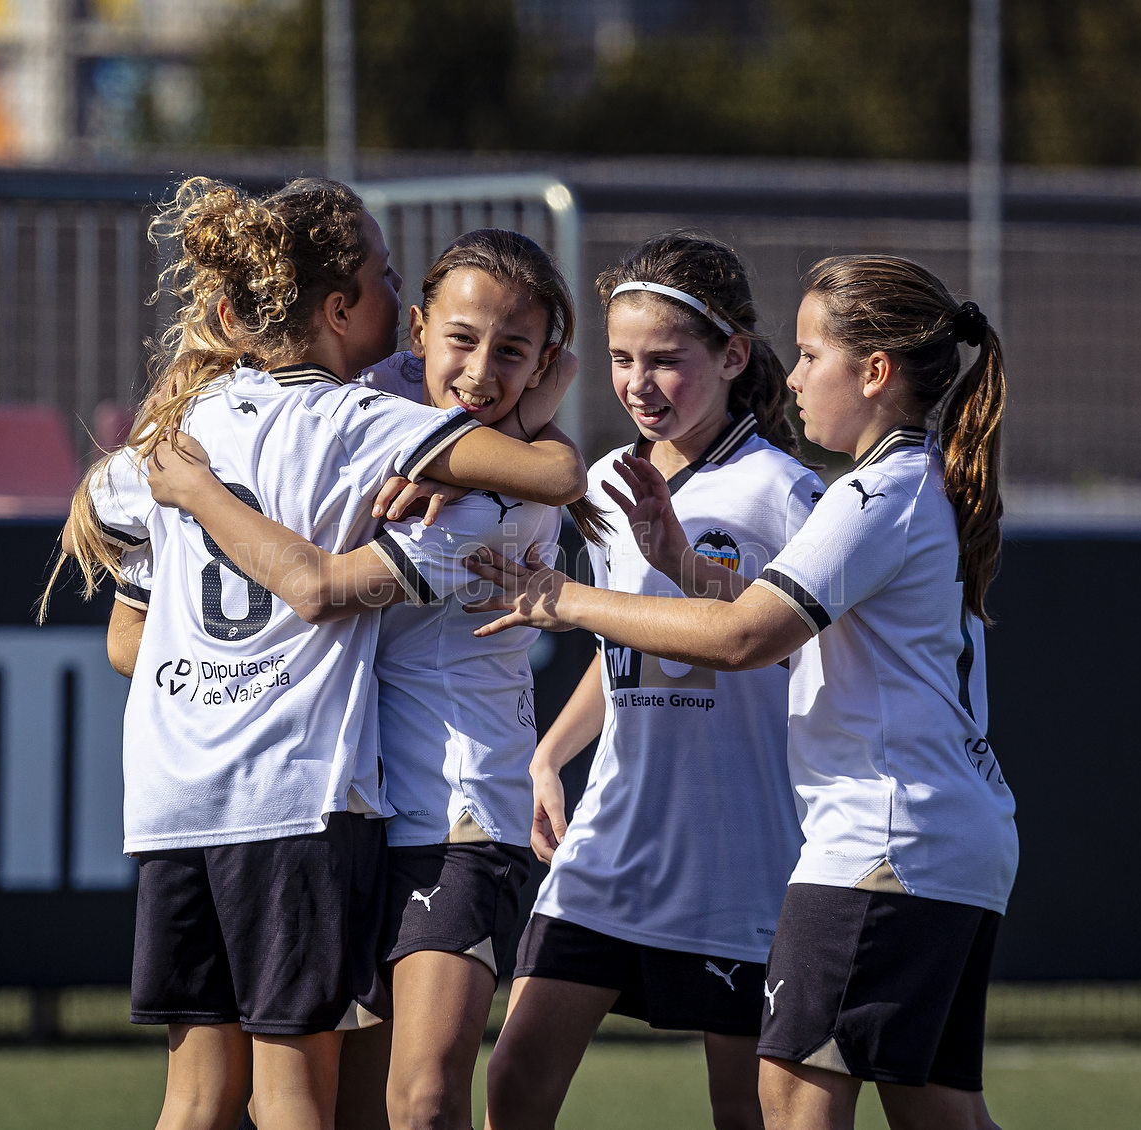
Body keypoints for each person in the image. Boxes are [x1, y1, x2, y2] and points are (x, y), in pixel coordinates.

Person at [52, 178, 587, 1130]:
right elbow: (540, 465)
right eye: (455, 336)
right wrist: (471, 432)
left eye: (513, 352)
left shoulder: (193, 428)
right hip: (306, 801)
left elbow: (119, 549)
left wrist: (188, 497)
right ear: (397, 323)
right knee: (311, 1103)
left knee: (336, 1102)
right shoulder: (367, 418)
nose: (478, 370)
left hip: (411, 805)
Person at [468, 254, 1016, 1130]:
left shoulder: (866, 491)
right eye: (621, 358)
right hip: (931, 834)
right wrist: (679, 565)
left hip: (871, 838)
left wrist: (560, 597)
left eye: (808, 355)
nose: (790, 377)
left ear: (874, 373)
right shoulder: (906, 482)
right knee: (937, 1112)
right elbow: (754, 624)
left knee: (789, 1103)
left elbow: (744, 639)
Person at [484, 231, 820, 1130]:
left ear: (734, 355)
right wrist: (550, 756)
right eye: (624, 359)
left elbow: (788, 642)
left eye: (667, 361)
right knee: (512, 1085)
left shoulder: (782, 493)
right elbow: (622, 643)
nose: (638, 383)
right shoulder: (601, 484)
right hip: (610, 845)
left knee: (743, 1110)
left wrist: (684, 567)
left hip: (740, 857)